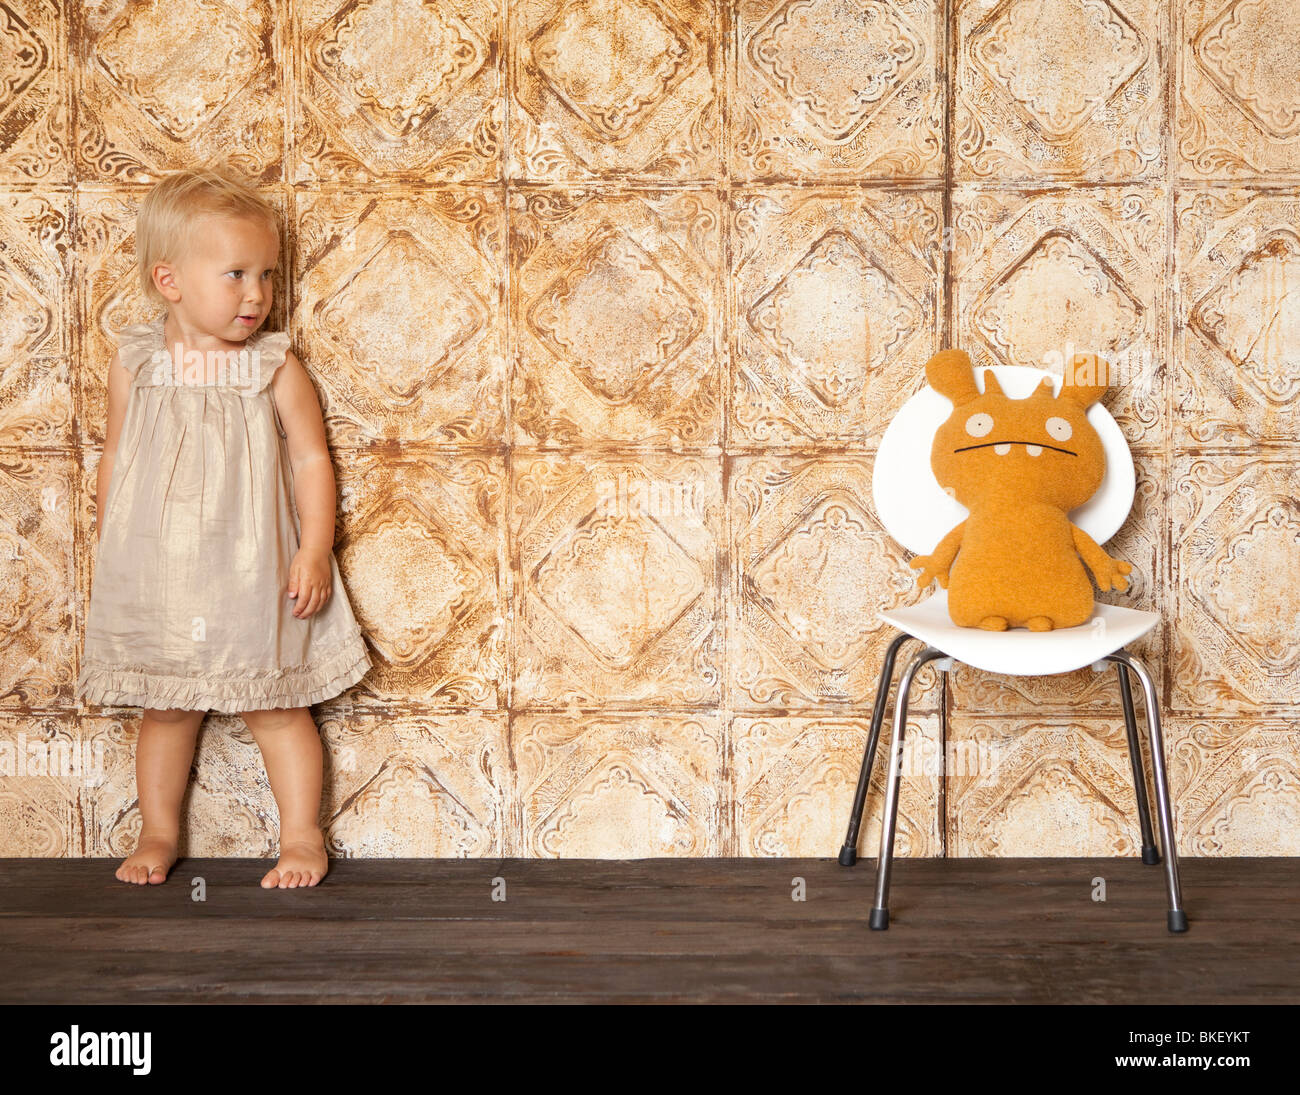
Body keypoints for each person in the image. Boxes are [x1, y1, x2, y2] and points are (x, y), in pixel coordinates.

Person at [76, 168, 371, 889]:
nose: (257, 295)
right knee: (167, 707)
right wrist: (110, 544)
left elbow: (309, 458)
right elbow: (116, 453)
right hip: (162, 571)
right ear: (169, 280)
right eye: (236, 274)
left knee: (277, 702)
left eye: (266, 275)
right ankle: (158, 831)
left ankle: (303, 836)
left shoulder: (271, 365)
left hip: (251, 567)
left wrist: (313, 547)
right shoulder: (136, 363)